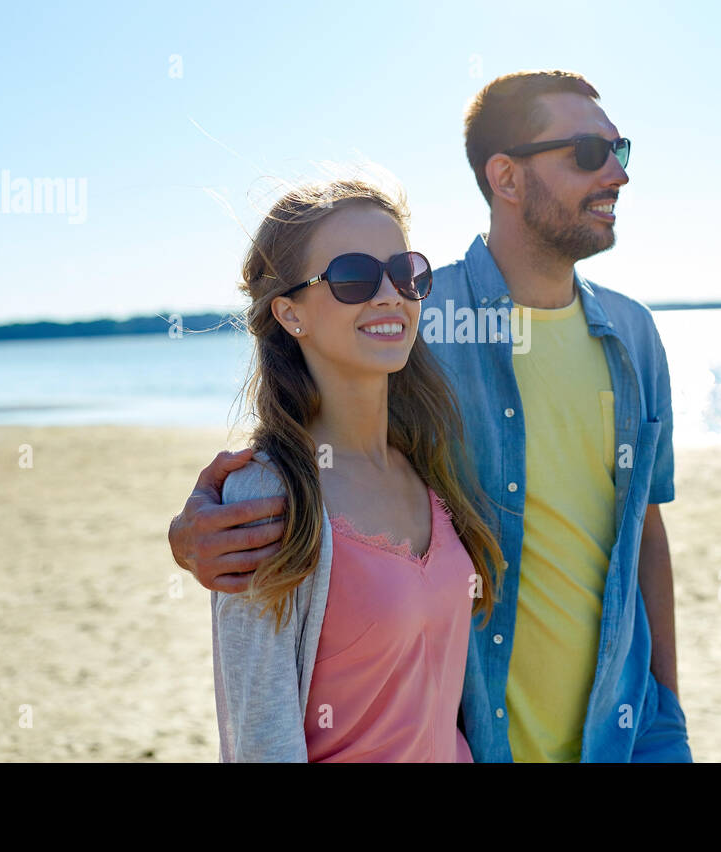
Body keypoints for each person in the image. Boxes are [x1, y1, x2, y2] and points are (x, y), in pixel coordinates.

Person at [172, 69, 691, 762]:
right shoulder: (419, 323)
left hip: (624, 736)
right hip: (486, 738)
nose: (617, 177)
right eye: (587, 155)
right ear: (505, 177)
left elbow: (644, 531)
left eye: (618, 152)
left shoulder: (635, 338)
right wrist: (196, 535)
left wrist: (668, 712)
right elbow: (313, 461)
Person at [210, 176, 504, 761]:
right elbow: (260, 735)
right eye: (353, 277)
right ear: (291, 314)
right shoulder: (269, 494)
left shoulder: (432, 465)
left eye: (406, 272)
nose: (391, 294)